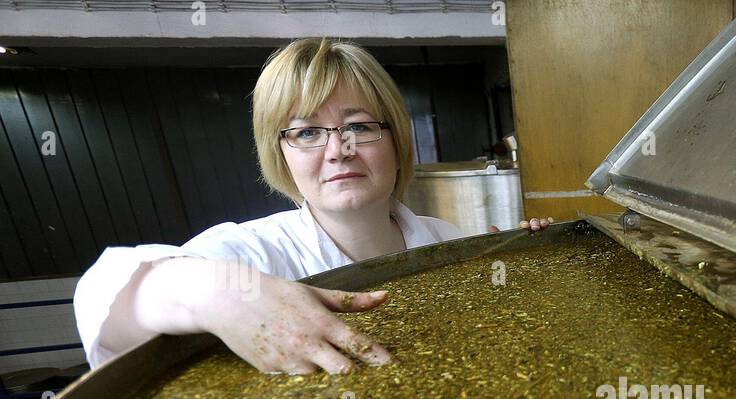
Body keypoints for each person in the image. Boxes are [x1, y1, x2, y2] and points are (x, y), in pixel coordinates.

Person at [73, 37, 553, 374]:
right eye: (306, 132)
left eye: (360, 126)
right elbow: (102, 298)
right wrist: (221, 296)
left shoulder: (448, 241)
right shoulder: (255, 257)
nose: (338, 149)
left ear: (396, 140)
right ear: (279, 152)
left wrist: (531, 270)